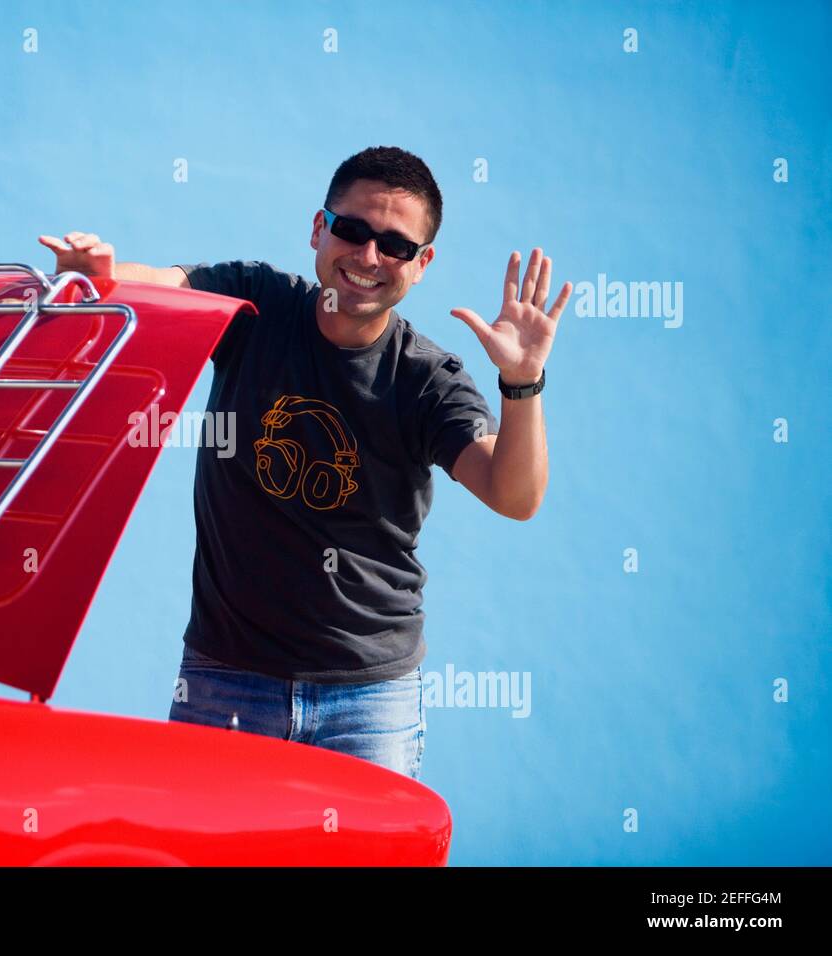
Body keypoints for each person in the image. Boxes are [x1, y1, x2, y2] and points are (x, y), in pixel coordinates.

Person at [38, 145, 571, 781]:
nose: (368, 257)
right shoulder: (255, 302)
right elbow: (160, 284)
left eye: (396, 245)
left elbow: (514, 496)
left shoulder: (429, 381)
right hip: (224, 681)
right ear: (319, 229)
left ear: (422, 264)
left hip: (371, 701)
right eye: (352, 230)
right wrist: (101, 277)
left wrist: (523, 381)